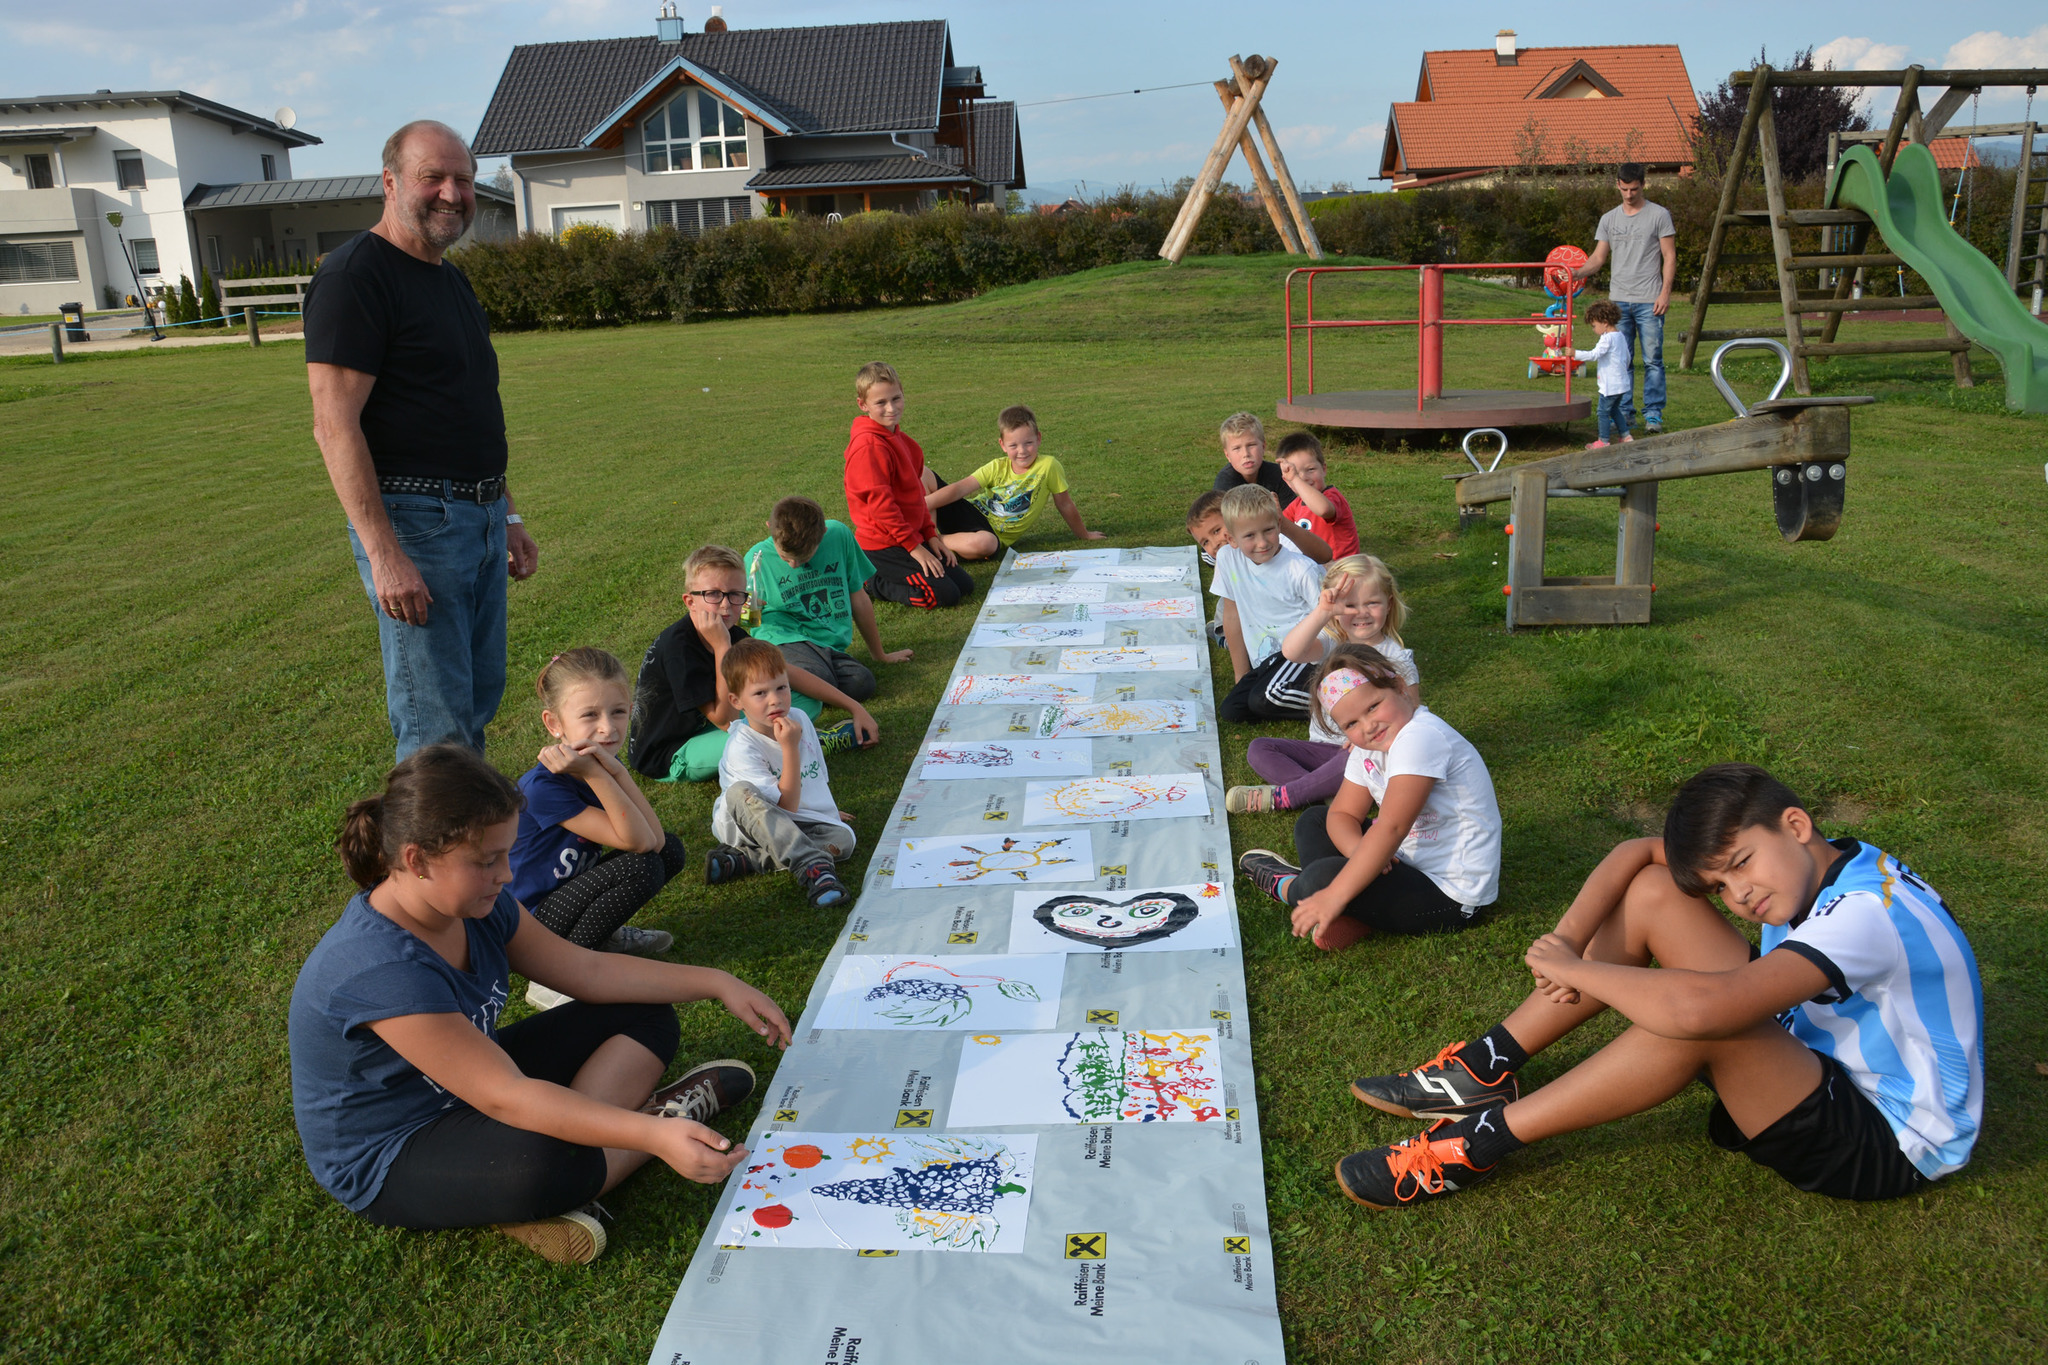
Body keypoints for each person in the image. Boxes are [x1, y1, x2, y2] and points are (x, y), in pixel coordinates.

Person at [1337, 763, 1982, 1210]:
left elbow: (1702, 1010)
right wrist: (1565, 941)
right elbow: (1638, 854)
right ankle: (1486, 1065)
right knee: (1654, 894)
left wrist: (1577, 970)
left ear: (1795, 824)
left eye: (1741, 866)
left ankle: (1474, 1142)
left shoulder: (1868, 915)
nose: (1740, 896)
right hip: (1811, 1047)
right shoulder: (1830, 858)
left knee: (1696, 1020)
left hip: (1885, 1139)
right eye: (1721, 886)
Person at [289, 745, 793, 1263]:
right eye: (487, 861)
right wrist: (652, 1135)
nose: (506, 874)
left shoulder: (477, 904)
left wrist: (715, 982)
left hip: (472, 1084)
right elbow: (507, 1096)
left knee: (645, 1014)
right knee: (550, 1160)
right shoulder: (380, 967)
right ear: (416, 860)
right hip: (394, 1148)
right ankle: (653, 1124)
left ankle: (593, 1158)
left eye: (507, 853)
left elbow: (587, 972)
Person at [306, 119, 540, 759]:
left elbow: (468, 410)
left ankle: (468, 827)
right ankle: (432, 828)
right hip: (415, 522)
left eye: (463, 180)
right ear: (390, 182)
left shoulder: (450, 279)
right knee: (436, 726)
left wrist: (507, 513)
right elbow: (334, 424)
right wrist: (384, 554)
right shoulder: (355, 276)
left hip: (480, 515)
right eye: (431, 177)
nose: (452, 194)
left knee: (476, 703)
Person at [1239, 647, 1499, 952]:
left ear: (1400, 687)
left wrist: (1335, 893)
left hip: (1452, 897)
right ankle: (1355, 912)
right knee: (1315, 821)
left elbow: (1391, 828)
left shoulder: (1421, 736)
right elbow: (1342, 814)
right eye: (1351, 724)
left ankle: (1288, 887)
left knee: (1321, 879)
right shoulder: (1367, 749)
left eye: (1373, 706)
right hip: (1403, 864)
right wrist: (1358, 851)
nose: (1368, 726)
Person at [509, 648, 686, 1010]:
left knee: (669, 851)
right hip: (523, 928)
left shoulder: (598, 764)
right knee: (641, 866)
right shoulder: (543, 787)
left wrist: (614, 771)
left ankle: (601, 941)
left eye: (618, 712)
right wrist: (597, 773)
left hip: (563, 901)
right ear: (554, 724)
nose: (608, 727)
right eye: (590, 715)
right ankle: (552, 978)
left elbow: (655, 840)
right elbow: (640, 844)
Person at [627, 545, 878, 785]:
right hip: (673, 751)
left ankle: (791, 740)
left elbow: (787, 672)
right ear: (690, 601)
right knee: (744, 742)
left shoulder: (732, 633)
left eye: (735, 594)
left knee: (806, 702)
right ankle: (810, 744)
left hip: (712, 725)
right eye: (713, 594)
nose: (725, 605)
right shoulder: (679, 649)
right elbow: (727, 722)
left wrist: (854, 707)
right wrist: (722, 647)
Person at [1230, 555, 1415, 814]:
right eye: (1349, 605)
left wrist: (1367, 739)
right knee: (1259, 748)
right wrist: (1322, 612)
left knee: (1355, 756)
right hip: (1323, 750)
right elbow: (1292, 651)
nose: (1361, 613)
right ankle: (1322, 790)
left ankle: (1288, 797)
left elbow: (1411, 716)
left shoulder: (1396, 658)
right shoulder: (1333, 642)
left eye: (1372, 603)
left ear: (1389, 603)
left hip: (1367, 752)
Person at [704, 638, 859, 908]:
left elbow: (816, 777)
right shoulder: (742, 746)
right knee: (739, 792)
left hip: (796, 817)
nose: (775, 700)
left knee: (843, 840)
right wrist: (790, 748)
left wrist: (827, 811)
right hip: (752, 824)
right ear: (736, 700)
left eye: (781, 687)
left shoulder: (799, 719)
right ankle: (814, 868)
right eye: (760, 693)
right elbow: (785, 806)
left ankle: (746, 860)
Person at [744, 495, 910, 707]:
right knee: (821, 677)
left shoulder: (839, 535)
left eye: (804, 558)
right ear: (769, 528)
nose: (794, 565)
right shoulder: (756, 559)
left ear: (823, 533)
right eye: (785, 558)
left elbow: (858, 596)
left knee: (862, 683)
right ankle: (777, 687)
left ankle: (792, 684)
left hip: (828, 646)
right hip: (783, 639)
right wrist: (747, 607)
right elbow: (748, 620)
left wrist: (879, 654)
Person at [843, 361, 975, 609]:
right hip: (882, 545)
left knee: (965, 585)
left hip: (908, 535)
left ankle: (900, 560)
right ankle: (871, 580)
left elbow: (916, 498)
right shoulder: (869, 448)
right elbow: (882, 508)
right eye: (881, 403)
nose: (891, 408)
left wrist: (930, 536)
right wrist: (915, 548)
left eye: (896, 398)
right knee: (945, 595)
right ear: (863, 405)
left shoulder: (905, 443)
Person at [1570, 161, 1677, 435]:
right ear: (1617, 184)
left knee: (1653, 360)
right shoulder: (1609, 219)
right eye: (1625, 189)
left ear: (1643, 185)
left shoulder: (1659, 215)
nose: (1629, 194)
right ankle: (1625, 414)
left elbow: (1669, 256)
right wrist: (1576, 273)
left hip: (1650, 300)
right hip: (1618, 302)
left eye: (1634, 189)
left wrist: (1665, 293)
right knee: (1620, 361)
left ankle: (1653, 415)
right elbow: (1598, 258)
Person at [923, 405, 1107, 560]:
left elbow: (1064, 503)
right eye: (1013, 445)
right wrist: (923, 505)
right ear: (1002, 445)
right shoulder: (997, 466)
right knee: (923, 472)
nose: (1022, 451)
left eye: (1028, 443)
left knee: (986, 544)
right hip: (969, 513)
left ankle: (931, 540)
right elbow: (959, 489)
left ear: (1039, 438)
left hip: (988, 534)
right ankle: (925, 526)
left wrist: (1084, 534)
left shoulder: (1049, 466)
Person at [1213, 485, 1327, 723]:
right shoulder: (1227, 558)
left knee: (1262, 699)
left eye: (1268, 530)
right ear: (1231, 539)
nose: (1262, 542)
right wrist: (1241, 676)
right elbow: (1232, 615)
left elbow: (1331, 621)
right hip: (1267, 662)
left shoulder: (1301, 569)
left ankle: (1336, 701)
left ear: (1278, 524)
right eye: (1250, 536)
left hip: (1304, 656)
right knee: (1233, 710)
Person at [1274, 432, 1360, 559]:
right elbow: (1279, 524)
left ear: (1323, 469)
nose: (1303, 477)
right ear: (1286, 481)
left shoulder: (1332, 497)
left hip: (1341, 565)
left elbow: (1323, 509)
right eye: (1295, 472)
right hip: (1317, 564)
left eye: (1310, 469)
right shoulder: (1296, 505)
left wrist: (1295, 478)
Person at [1574, 300, 1633, 449]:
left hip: (1610, 385)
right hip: (1622, 384)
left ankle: (1603, 441)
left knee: (1602, 412)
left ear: (1605, 323)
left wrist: (1575, 353)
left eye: (1594, 325)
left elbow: (1594, 355)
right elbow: (1627, 357)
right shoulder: (1620, 335)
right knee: (1614, 410)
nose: (1593, 329)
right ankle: (1625, 435)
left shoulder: (1607, 338)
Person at [1212, 411, 1289, 497]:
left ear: (1263, 446)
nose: (1246, 454)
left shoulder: (1277, 474)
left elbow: (1293, 505)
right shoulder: (1224, 484)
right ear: (1227, 455)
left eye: (1251, 445)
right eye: (1237, 448)